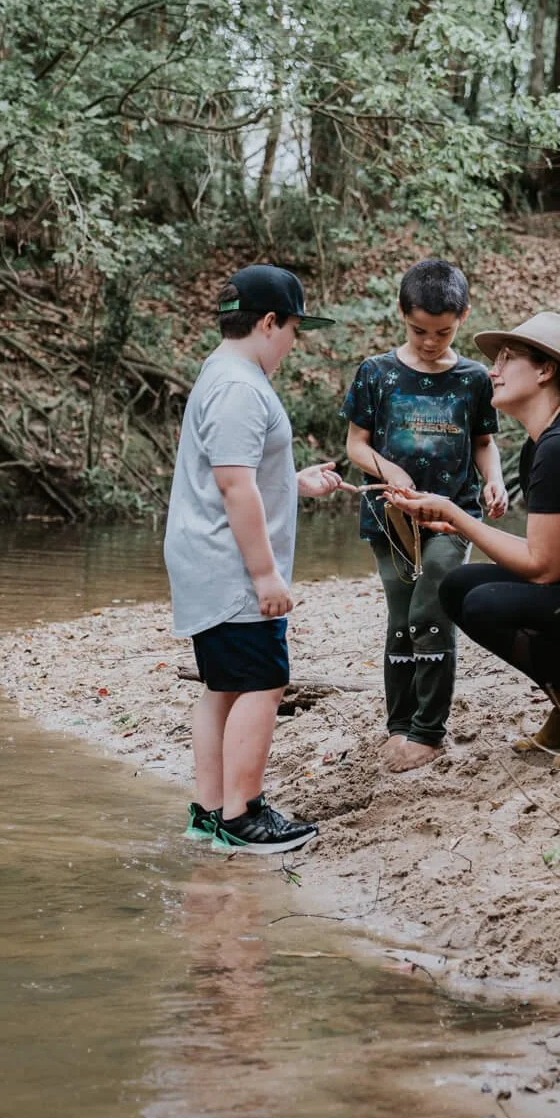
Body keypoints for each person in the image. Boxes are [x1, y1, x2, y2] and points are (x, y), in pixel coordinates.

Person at [387, 313, 560, 768]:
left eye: (507, 358)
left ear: (545, 370)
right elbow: (552, 559)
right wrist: (459, 523)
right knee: (459, 587)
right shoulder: (543, 443)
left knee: (487, 604)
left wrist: (454, 514)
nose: (492, 370)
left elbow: (543, 568)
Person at [165, 264, 345, 854]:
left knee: (223, 685)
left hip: (206, 555)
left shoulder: (220, 374)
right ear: (269, 322)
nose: (294, 343)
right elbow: (235, 487)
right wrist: (267, 576)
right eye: (294, 328)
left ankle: (211, 812)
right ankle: (243, 817)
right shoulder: (242, 386)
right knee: (265, 682)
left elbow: (241, 476)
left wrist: (292, 482)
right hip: (231, 565)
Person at [342, 259, 505, 773]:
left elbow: (484, 444)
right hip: (388, 517)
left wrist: (494, 479)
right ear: (401, 315)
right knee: (399, 620)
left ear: (463, 317)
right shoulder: (376, 373)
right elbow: (356, 446)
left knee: (430, 613)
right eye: (419, 331)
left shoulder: (474, 378)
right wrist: (386, 467)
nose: (431, 341)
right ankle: (400, 725)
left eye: (443, 331)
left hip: (450, 518)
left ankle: (429, 732)